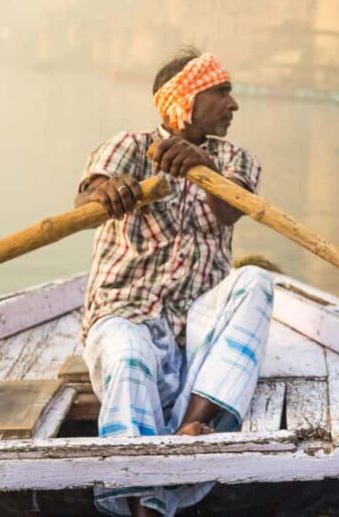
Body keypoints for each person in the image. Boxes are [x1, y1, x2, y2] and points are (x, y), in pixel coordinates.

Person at [74, 48, 273, 517]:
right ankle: (146, 503)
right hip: (125, 314)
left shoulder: (236, 160)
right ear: (185, 98)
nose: (233, 104)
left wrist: (202, 168)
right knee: (126, 352)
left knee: (256, 280)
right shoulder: (130, 145)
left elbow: (229, 210)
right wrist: (106, 191)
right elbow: (86, 196)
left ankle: (192, 426)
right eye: (222, 92)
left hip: (195, 328)